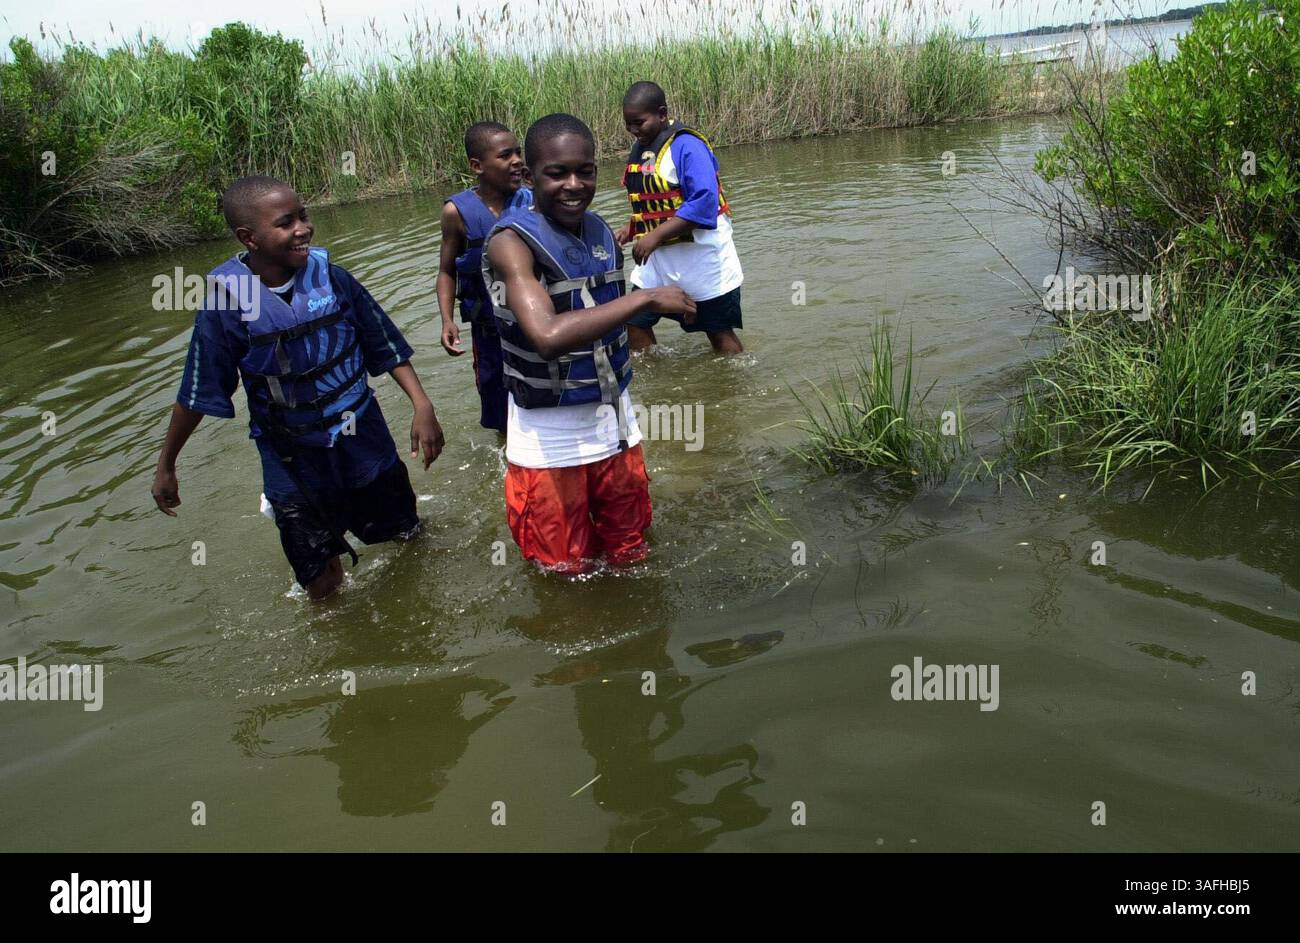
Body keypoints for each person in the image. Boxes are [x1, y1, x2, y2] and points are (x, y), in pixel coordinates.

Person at [150, 175, 445, 600]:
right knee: (318, 576)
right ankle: (334, 647)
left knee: (406, 533)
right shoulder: (227, 305)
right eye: (286, 223)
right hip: (292, 454)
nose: (302, 229)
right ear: (248, 237)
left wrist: (422, 405)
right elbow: (198, 392)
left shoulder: (335, 280)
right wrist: (167, 465)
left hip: (363, 434)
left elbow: (384, 343)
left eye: (303, 216)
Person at [482, 113, 695, 573]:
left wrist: (647, 308)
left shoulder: (600, 230)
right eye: (557, 173)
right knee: (565, 570)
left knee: (632, 552)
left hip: (613, 425)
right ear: (530, 175)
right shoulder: (510, 245)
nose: (574, 184)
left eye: (585, 171)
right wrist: (649, 296)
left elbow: (602, 315)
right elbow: (546, 337)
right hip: (550, 440)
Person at [619, 80, 745, 355]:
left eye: (639, 122)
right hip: (660, 259)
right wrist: (630, 230)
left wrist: (654, 236)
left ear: (662, 114)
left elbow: (704, 202)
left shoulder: (687, 146)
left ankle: (735, 385)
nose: (633, 130)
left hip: (701, 258)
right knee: (634, 318)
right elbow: (656, 204)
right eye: (628, 124)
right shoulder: (642, 149)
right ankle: (659, 380)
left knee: (717, 330)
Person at [436, 122, 533, 434]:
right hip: (488, 332)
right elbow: (446, 270)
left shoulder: (533, 201)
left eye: (518, 153)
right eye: (505, 156)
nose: (517, 160)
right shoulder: (456, 213)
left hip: (535, 324)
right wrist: (447, 320)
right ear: (477, 166)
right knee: (500, 414)